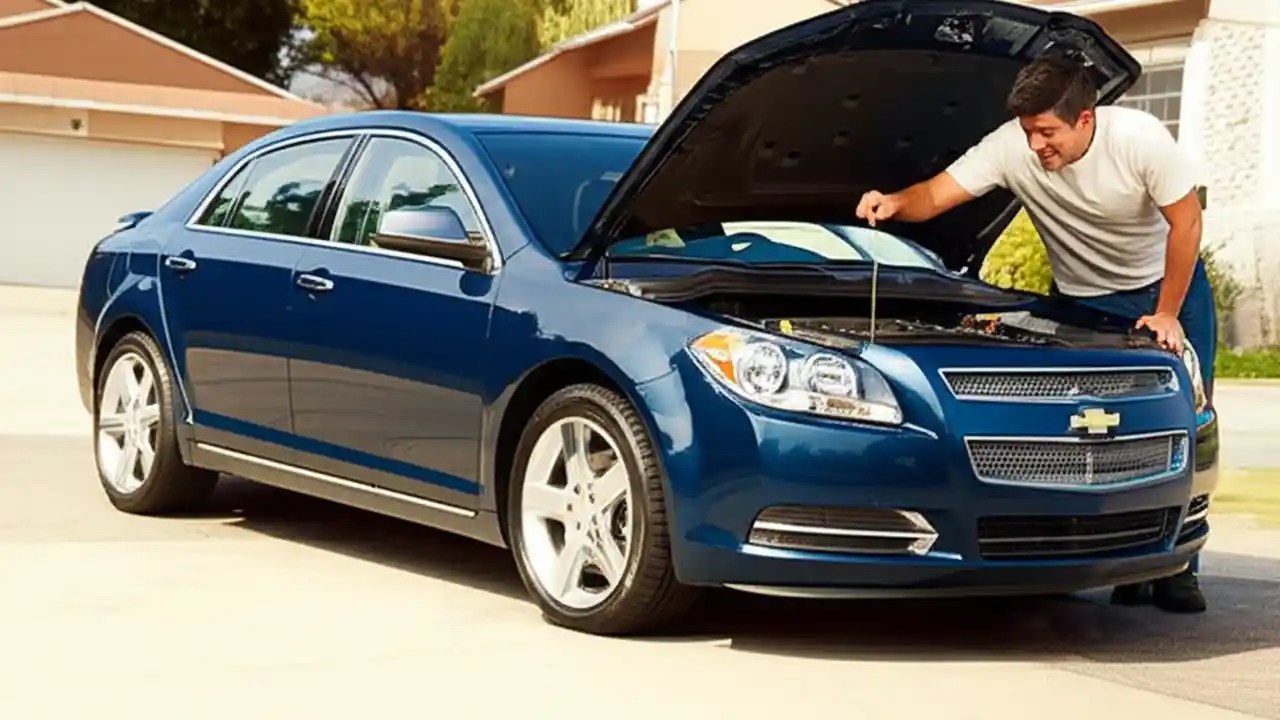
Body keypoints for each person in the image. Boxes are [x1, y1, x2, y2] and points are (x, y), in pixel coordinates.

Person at [855, 54, 1215, 614]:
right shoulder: (1011, 147)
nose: (1037, 145)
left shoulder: (1139, 138)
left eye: (1047, 132)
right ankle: (1119, 560)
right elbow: (937, 194)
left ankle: (1177, 570)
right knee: (1094, 433)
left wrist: (1168, 312)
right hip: (1085, 303)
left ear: (1085, 120)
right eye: (1029, 132)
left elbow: (1186, 220)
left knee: (1178, 424)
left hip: (1171, 289)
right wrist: (895, 202)